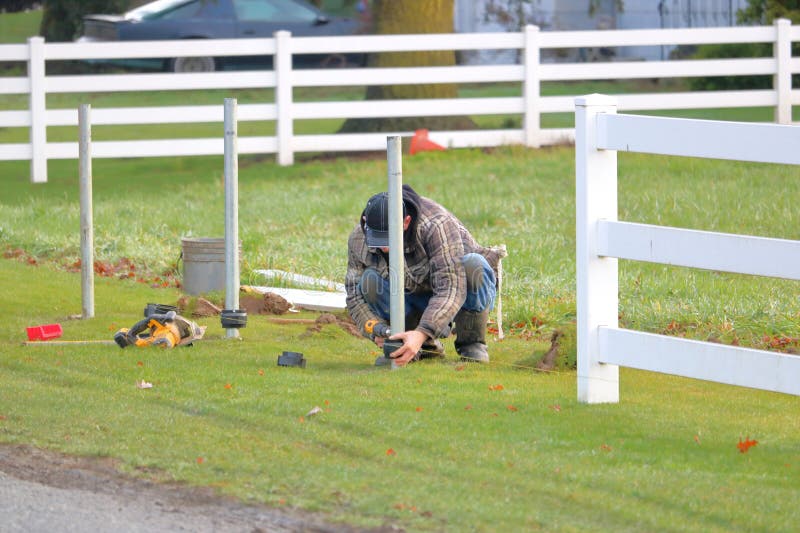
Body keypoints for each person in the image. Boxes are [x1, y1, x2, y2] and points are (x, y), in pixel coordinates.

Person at [345, 185, 507, 367]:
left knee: (473, 265)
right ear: (366, 222)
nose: (384, 248)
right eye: (377, 238)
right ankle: (418, 347)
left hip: (456, 293)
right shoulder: (358, 238)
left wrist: (422, 332)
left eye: (389, 238)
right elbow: (354, 295)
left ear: (405, 222)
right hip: (409, 293)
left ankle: (471, 343)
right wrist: (377, 329)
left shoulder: (437, 225)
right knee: (369, 282)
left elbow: (451, 287)